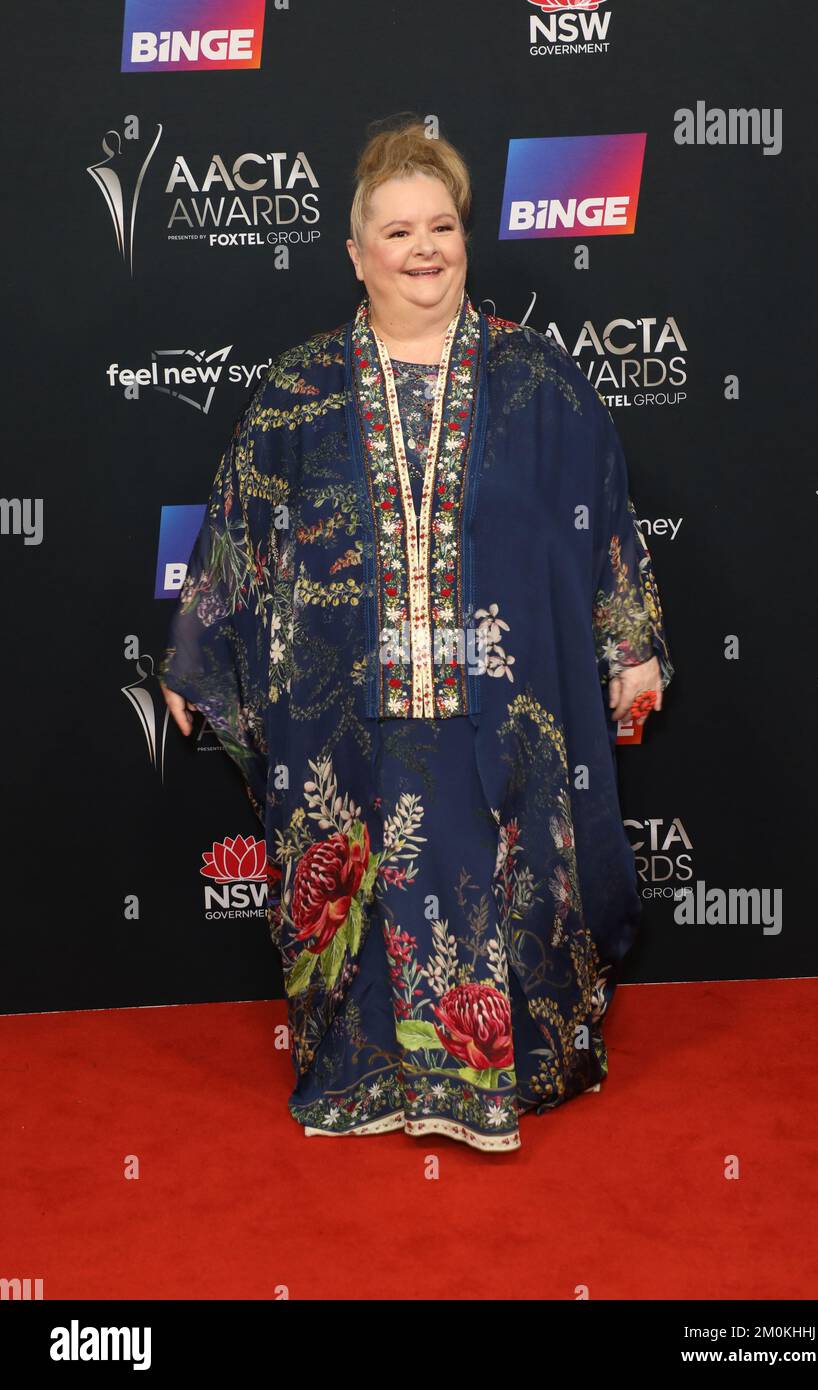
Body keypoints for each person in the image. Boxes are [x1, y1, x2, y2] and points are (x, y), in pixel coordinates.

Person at [159, 116, 674, 1153]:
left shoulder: (540, 383)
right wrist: (198, 653)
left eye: (440, 227)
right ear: (357, 254)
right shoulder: (297, 394)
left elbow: (602, 514)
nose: (423, 249)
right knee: (360, 864)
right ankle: (372, 1077)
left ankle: (493, 1079)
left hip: (505, 706)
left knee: (501, 864)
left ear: (465, 240)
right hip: (347, 710)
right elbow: (239, 530)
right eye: (397, 232)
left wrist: (628, 639)